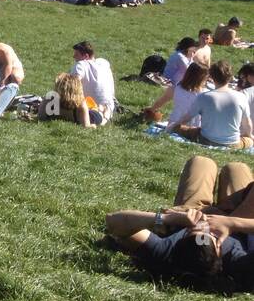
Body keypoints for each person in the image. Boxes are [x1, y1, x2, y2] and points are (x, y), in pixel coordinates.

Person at [104, 156, 254, 287]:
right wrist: (233, 223)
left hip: (192, 211)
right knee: (237, 168)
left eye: (194, 230)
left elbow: (114, 221)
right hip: (243, 218)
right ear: (220, 251)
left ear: (179, 242)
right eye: (210, 234)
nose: (205, 224)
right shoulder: (239, 264)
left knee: (202, 162)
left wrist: (168, 218)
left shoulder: (164, 251)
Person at [169, 60, 252, 148]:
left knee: (181, 128)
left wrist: (174, 126)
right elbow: (247, 125)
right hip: (233, 143)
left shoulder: (204, 97)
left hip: (205, 140)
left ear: (211, 77)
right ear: (230, 77)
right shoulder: (241, 97)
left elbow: (186, 118)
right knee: (249, 140)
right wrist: (249, 136)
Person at [146, 60, 210, 127]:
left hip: (173, 125)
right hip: (193, 129)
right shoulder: (205, 95)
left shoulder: (174, 89)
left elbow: (160, 102)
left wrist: (151, 109)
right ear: (202, 79)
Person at [71, 40, 115, 121]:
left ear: (86, 56)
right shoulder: (104, 63)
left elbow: (72, 85)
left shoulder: (81, 65)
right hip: (109, 109)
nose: (74, 57)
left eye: (76, 54)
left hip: (89, 111)